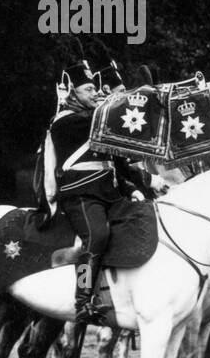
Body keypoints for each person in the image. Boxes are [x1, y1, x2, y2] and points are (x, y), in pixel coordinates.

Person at [43, 60, 148, 325]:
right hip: (81, 195)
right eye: (88, 89)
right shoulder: (65, 123)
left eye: (94, 89)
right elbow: (97, 124)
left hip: (107, 193)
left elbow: (110, 164)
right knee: (96, 236)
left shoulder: (94, 118)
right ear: (72, 93)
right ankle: (83, 300)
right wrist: (125, 101)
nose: (94, 93)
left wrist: (132, 189)